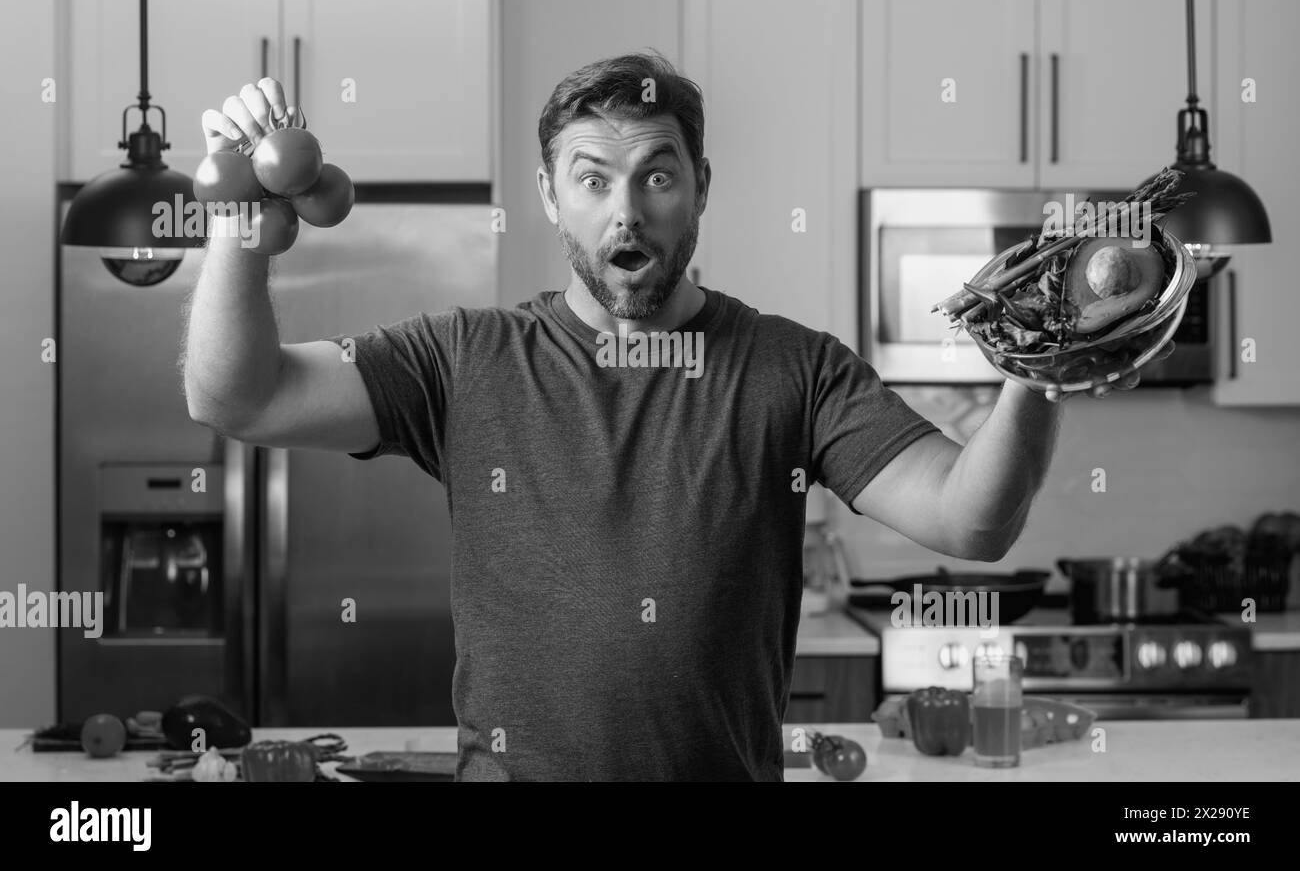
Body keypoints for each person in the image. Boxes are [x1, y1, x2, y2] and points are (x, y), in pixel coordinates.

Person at [182, 51, 1156, 781]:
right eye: (591, 180)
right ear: (550, 200)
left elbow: (970, 518)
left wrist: (1045, 361)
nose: (625, 213)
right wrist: (234, 222)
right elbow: (239, 395)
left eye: (655, 175)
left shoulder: (793, 369)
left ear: (700, 188)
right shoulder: (463, 360)